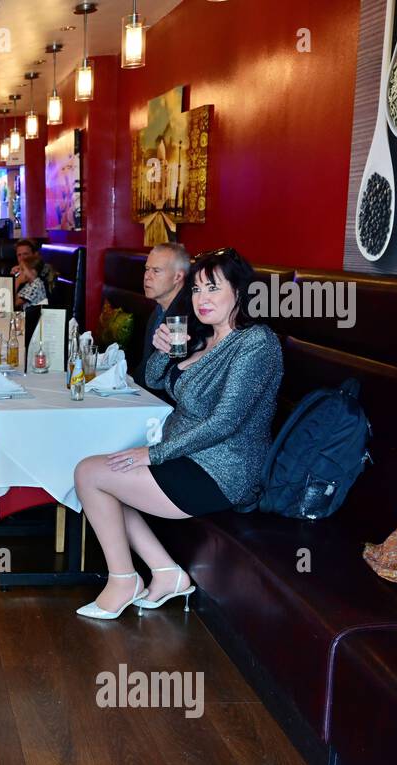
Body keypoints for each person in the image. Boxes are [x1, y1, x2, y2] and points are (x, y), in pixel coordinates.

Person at [71, 248, 283, 619]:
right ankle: (166, 574)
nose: (202, 299)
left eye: (213, 289)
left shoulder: (257, 344)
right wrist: (163, 350)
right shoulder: (202, 335)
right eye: (198, 289)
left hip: (224, 469)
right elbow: (152, 380)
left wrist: (153, 454)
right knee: (98, 472)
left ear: (239, 291)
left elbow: (225, 423)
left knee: (92, 474)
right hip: (185, 455)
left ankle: (126, 580)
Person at [135, 242, 192, 385]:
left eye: (156, 270)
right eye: (147, 269)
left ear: (178, 277)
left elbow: (170, 379)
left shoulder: (184, 318)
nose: (147, 276)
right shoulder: (159, 309)